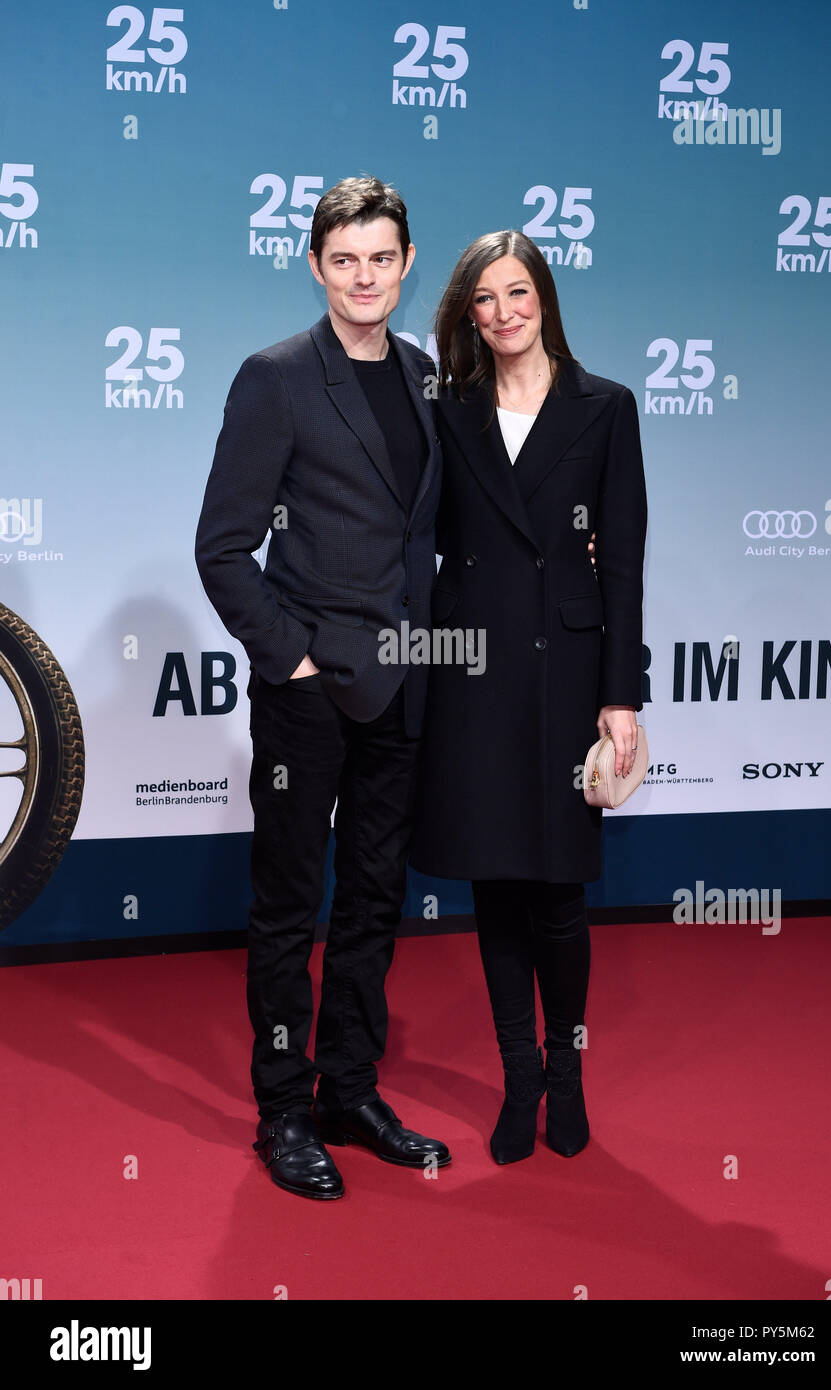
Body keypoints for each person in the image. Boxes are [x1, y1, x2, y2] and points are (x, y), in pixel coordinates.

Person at [195, 176, 450, 1199]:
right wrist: (288, 655)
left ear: (404, 262)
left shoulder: (430, 378)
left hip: (404, 689)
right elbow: (222, 547)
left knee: (376, 900)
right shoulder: (277, 377)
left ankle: (350, 1086)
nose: (363, 276)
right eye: (343, 259)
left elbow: (443, 529)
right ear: (315, 264)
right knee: (288, 905)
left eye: (380, 258)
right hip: (308, 692)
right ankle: (284, 1110)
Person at [410, 230, 647, 1164]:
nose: (503, 313)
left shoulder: (605, 407)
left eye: (517, 293)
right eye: (483, 299)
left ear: (543, 297)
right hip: (470, 671)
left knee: (557, 895)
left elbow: (622, 562)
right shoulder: (448, 410)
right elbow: (420, 537)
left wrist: (620, 694)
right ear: (466, 313)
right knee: (495, 889)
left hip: (565, 674)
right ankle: (517, 1083)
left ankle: (566, 1075)